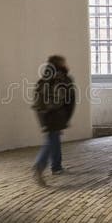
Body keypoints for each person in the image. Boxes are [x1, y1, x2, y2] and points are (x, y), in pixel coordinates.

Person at [32, 55, 76, 185]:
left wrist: (43, 115)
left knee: (54, 138)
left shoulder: (44, 78)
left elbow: (38, 100)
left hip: (44, 114)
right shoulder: (63, 79)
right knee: (51, 140)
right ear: (60, 65)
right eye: (64, 62)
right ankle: (39, 165)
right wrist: (66, 117)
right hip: (57, 114)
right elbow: (69, 100)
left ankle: (57, 167)